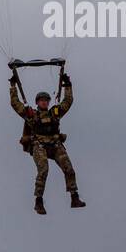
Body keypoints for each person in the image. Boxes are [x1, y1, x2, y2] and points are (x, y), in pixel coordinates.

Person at [10, 70, 85, 215]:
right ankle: (38, 201)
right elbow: (15, 104)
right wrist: (13, 86)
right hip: (39, 145)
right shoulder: (31, 115)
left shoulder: (55, 113)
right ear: (37, 102)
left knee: (69, 168)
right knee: (43, 170)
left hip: (55, 144)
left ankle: (74, 197)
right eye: (41, 100)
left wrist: (67, 85)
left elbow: (68, 101)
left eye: (46, 100)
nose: (44, 102)